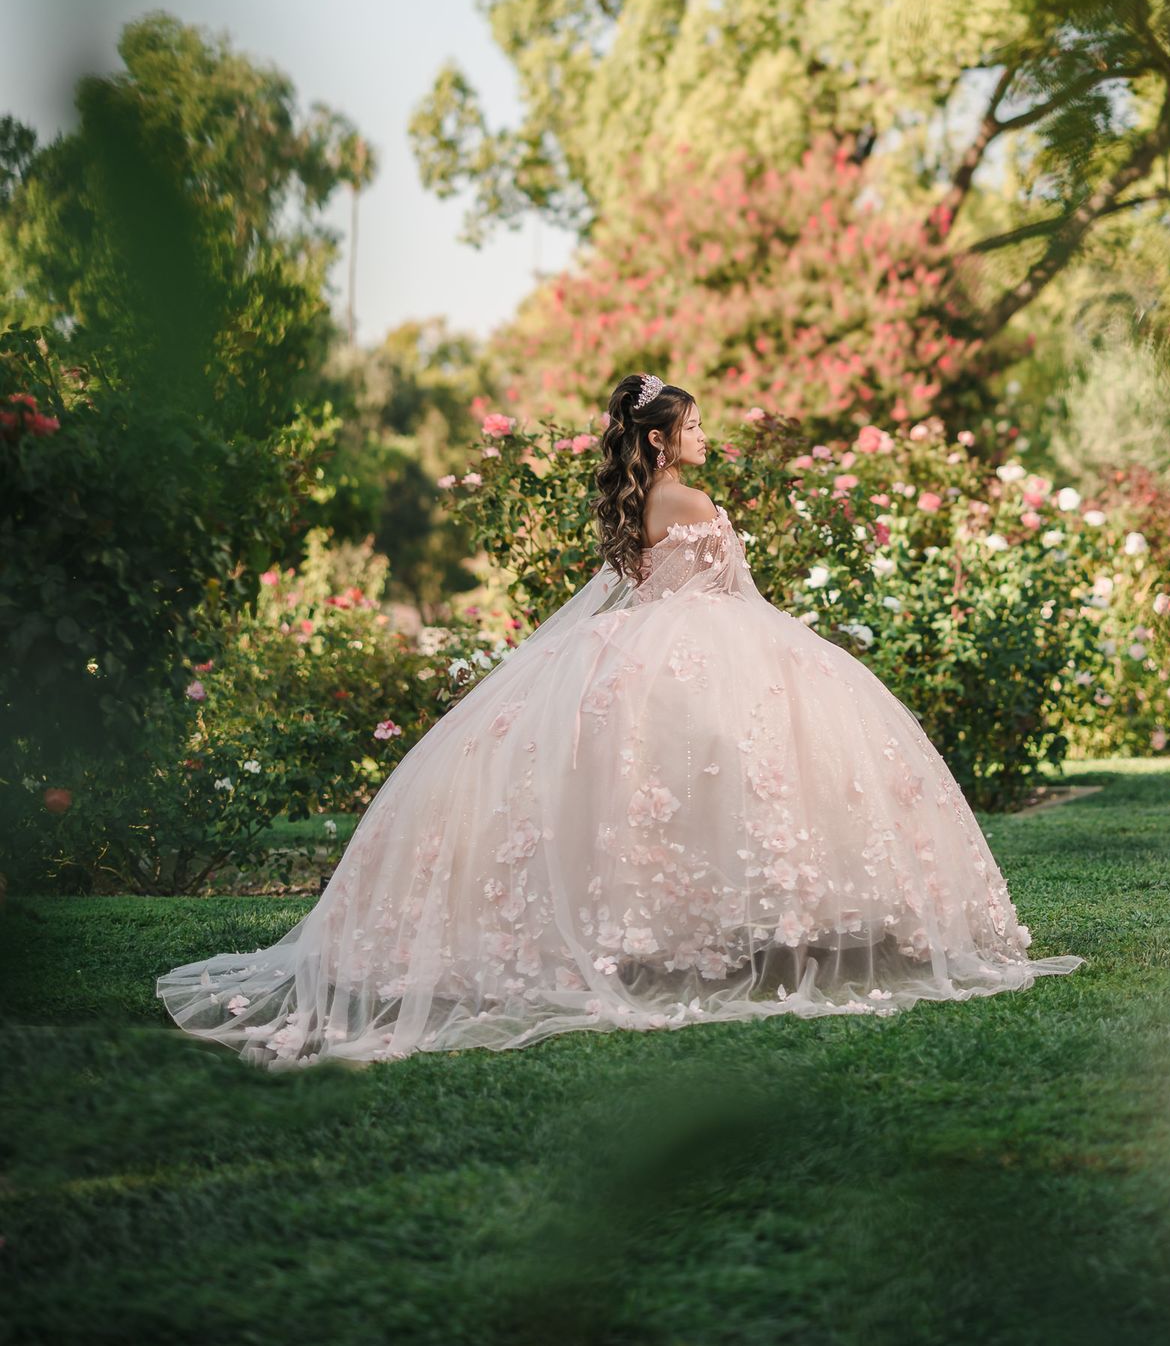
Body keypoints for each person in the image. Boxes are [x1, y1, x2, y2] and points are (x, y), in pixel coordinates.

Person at [157, 374, 1082, 1067]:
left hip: (643, 641)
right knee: (740, 767)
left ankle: (670, 931)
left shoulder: (639, 499)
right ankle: (745, 928)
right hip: (711, 638)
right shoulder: (692, 499)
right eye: (695, 422)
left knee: (650, 790)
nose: (705, 433)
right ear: (665, 435)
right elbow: (728, 586)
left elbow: (642, 585)